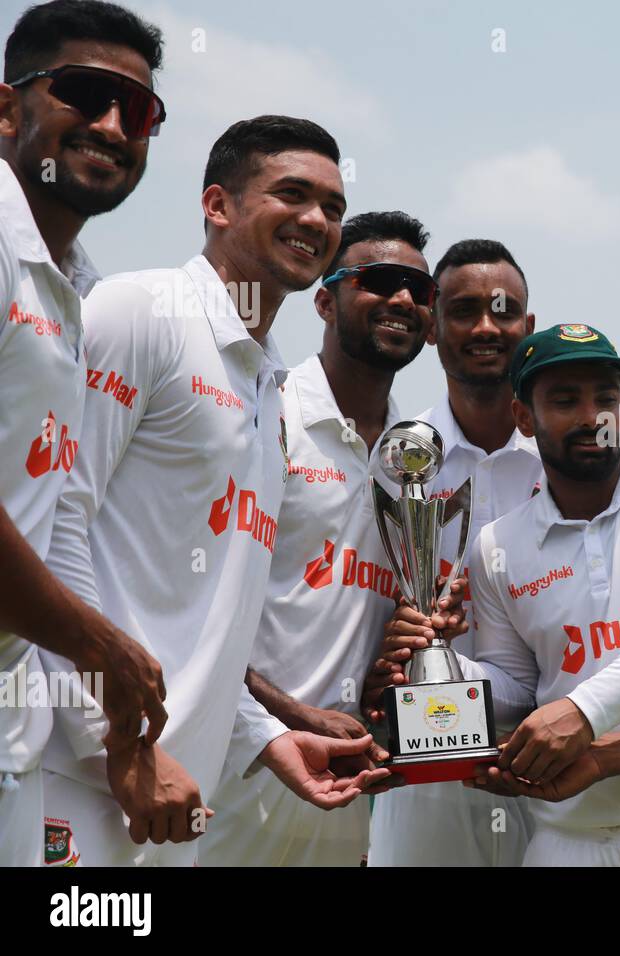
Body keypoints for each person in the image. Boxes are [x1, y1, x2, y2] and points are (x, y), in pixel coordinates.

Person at [40, 115, 387, 866]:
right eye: (291, 193)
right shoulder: (140, 312)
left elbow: (206, 618)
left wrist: (264, 739)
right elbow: (54, 522)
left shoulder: (269, 380)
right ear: (217, 205)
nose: (316, 219)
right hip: (76, 778)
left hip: (175, 796)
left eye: (333, 206)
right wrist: (122, 743)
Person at [383, 323, 620, 866]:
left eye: (606, 398)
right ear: (523, 417)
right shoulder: (498, 545)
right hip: (566, 842)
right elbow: (517, 691)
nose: (591, 418)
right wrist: (438, 667)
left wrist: (583, 713)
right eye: (564, 401)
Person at [199, 211, 445, 866]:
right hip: (231, 767)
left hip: (344, 784)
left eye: (419, 291)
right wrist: (292, 715)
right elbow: (185, 599)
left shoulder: (415, 458)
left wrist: (403, 664)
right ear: (326, 299)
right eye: (379, 280)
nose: (401, 300)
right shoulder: (261, 413)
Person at [0, 0, 169, 867]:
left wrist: (118, 723)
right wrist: (98, 646)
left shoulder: (75, 290)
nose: (111, 125)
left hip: (15, 737)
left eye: (136, 111)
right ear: (6, 108)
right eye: (82, 93)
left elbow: (55, 514)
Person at [365, 239, 542, 867]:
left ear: (530, 324)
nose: (486, 326)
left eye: (503, 309)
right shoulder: (397, 459)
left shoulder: (571, 463)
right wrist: (392, 640)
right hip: (426, 767)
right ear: (434, 326)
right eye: (464, 310)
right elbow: (363, 603)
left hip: (550, 763)